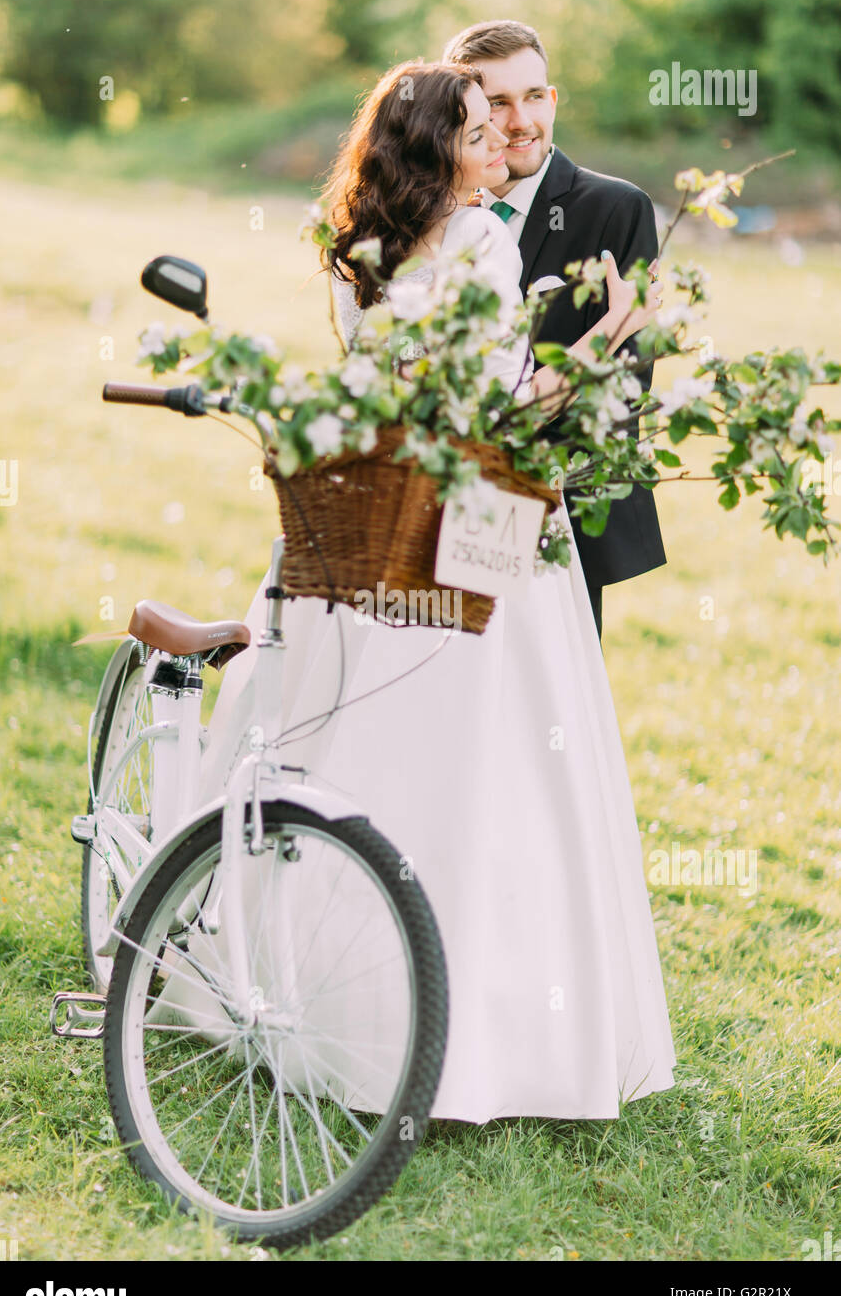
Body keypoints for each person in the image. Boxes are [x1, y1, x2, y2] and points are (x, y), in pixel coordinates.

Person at [202, 61, 676, 1123]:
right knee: (496, 768)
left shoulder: (352, 251)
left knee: (353, 737)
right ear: (442, 152)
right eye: (475, 130)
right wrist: (610, 334)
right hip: (477, 525)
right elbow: (504, 403)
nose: (498, 141)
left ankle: (324, 990)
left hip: (380, 522)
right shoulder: (479, 241)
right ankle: (493, 1028)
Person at [442, 21, 667, 640]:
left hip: (559, 508)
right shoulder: (432, 217)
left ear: (554, 99)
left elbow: (623, 381)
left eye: (535, 96)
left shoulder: (615, 209)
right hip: (439, 502)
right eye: (497, 103)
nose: (521, 122)